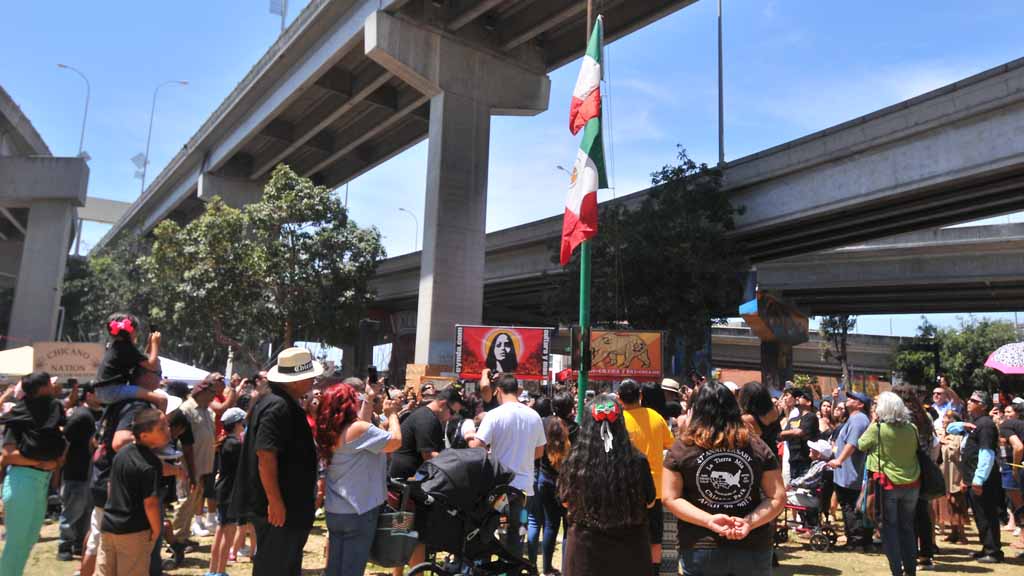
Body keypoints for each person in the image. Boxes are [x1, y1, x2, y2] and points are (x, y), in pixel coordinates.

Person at [663, 381, 785, 576]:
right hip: (752, 545)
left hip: (700, 545)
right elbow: (777, 496)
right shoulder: (757, 446)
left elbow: (671, 498)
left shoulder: (681, 448)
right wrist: (748, 523)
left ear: (696, 409)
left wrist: (709, 521)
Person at [232, 347, 322, 575]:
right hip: (280, 508)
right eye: (308, 375)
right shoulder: (278, 406)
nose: (313, 379)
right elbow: (266, 455)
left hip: (288, 505)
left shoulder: (279, 403)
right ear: (293, 381)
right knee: (275, 565)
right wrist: (275, 501)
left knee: (285, 564)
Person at [559, 394, 655, 576]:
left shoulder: (574, 460)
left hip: (585, 550)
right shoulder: (638, 460)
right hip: (631, 549)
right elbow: (649, 502)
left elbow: (565, 502)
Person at [315, 381, 403, 576]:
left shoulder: (331, 431)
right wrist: (393, 415)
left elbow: (360, 429)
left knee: (335, 569)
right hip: (359, 510)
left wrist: (370, 398)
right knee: (352, 570)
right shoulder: (359, 430)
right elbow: (395, 441)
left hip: (336, 510)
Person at [470, 373, 546, 556]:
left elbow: (477, 446)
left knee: (489, 530)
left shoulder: (494, 415)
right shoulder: (534, 416)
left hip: (499, 488)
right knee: (517, 533)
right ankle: (514, 566)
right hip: (524, 489)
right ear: (518, 391)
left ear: (498, 391)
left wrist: (469, 434)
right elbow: (539, 452)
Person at [0, 372, 67, 576]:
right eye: (49, 384)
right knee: (17, 544)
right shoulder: (18, 417)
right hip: (23, 481)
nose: (53, 388)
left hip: (38, 482)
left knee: (27, 541)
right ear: (41, 388)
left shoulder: (51, 412)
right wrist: (41, 462)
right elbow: (7, 455)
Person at [96, 408, 169, 576]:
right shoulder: (150, 464)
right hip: (133, 531)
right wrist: (157, 530)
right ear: (144, 436)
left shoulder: (122, 454)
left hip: (109, 525)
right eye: (162, 428)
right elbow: (150, 503)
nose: (168, 430)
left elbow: (110, 487)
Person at [858, 392, 922, 576]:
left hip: (888, 485)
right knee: (907, 528)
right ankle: (911, 570)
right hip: (912, 483)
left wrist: (872, 421)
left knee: (889, 529)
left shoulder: (877, 428)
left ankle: (896, 570)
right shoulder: (912, 428)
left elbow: (861, 444)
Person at [619, 379, 675, 576]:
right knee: (655, 538)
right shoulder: (656, 417)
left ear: (619, 398)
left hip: (625, 489)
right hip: (655, 490)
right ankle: (654, 572)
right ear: (640, 396)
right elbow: (671, 445)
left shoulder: (618, 421)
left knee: (626, 534)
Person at [947, 390, 1003, 563]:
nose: (969, 402)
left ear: (983, 406)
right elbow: (950, 428)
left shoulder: (985, 424)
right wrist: (963, 425)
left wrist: (978, 480)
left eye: (974, 400)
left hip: (984, 480)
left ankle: (993, 551)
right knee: (979, 515)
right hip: (972, 477)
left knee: (987, 514)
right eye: (969, 398)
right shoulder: (975, 423)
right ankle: (986, 547)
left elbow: (987, 454)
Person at [168, 375, 220, 559]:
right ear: (202, 391)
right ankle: (175, 540)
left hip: (204, 465)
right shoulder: (186, 410)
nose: (215, 395)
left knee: (194, 503)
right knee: (185, 503)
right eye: (212, 392)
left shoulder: (207, 410)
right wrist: (190, 470)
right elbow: (184, 442)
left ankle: (184, 536)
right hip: (188, 466)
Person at [893, 384, 940, 570]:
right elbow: (935, 443)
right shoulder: (925, 417)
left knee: (907, 517)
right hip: (924, 469)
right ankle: (926, 556)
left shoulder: (903, 419)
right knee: (922, 515)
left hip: (908, 470)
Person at [58, 382, 101, 561]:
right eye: (99, 393)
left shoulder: (94, 414)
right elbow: (64, 442)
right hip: (76, 470)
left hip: (90, 471)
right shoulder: (80, 416)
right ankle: (64, 546)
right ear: (89, 394)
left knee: (86, 510)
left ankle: (78, 544)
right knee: (73, 509)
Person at [93, 313, 167, 411]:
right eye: (136, 331)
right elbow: (152, 365)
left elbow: (144, 362)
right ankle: (162, 425)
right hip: (112, 390)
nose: (137, 334)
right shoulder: (126, 348)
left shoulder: (117, 346)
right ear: (130, 332)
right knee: (162, 400)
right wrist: (155, 343)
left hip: (103, 391)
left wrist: (150, 344)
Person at [827, 390, 872, 549]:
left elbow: (852, 444)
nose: (848, 399)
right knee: (848, 506)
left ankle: (857, 541)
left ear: (860, 404)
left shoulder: (859, 419)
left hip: (852, 473)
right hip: (846, 472)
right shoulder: (853, 419)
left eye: (853, 398)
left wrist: (839, 460)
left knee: (851, 507)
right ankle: (854, 539)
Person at [389, 387, 463, 480]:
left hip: (414, 475)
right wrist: (457, 464)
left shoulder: (429, 416)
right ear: (443, 404)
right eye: (452, 412)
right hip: (405, 478)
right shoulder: (427, 419)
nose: (451, 417)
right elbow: (429, 455)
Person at [208, 407, 246, 576]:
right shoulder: (235, 444)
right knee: (228, 533)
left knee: (220, 530)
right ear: (238, 423)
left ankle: (212, 570)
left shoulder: (226, 442)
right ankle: (221, 571)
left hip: (223, 490)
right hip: (231, 492)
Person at [536, 415, 570, 576]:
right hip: (565, 486)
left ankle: (547, 567)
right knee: (568, 527)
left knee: (550, 525)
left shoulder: (544, 444)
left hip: (545, 482)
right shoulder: (569, 446)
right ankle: (567, 568)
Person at [937, 411, 969, 544]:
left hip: (955, 473)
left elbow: (955, 453)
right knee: (948, 502)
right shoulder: (942, 434)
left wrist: (943, 442)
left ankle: (962, 534)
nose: (945, 420)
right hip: (944, 473)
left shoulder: (958, 436)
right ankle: (953, 532)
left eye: (949, 418)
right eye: (944, 417)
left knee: (957, 502)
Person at [998, 402, 1024, 556]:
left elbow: (1019, 447)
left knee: (1020, 505)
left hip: (1016, 466)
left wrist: (1014, 467)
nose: (1006, 415)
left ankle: (1022, 539)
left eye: (1009, 412)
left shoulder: (1008, 425)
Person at [779, 388, 818, 479]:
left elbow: (800, 432)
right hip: (793, 461)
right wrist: (792, 432)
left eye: (801, 397)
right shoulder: (793, 419)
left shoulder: (811, 417)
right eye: (796, 396)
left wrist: (789, 433)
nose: (797, 398)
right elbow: (780, 436)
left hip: (806, 461)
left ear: (809, 402)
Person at [786, 439, 833, 509]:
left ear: (819, 454)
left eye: (813, 448)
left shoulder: (820, 466)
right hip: (817, 498)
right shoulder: (824, 465)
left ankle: (770, 519)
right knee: (796, 491)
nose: (810, 449)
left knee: (781, 497)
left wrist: (790, 484)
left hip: (814, 500)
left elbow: (805, 481)